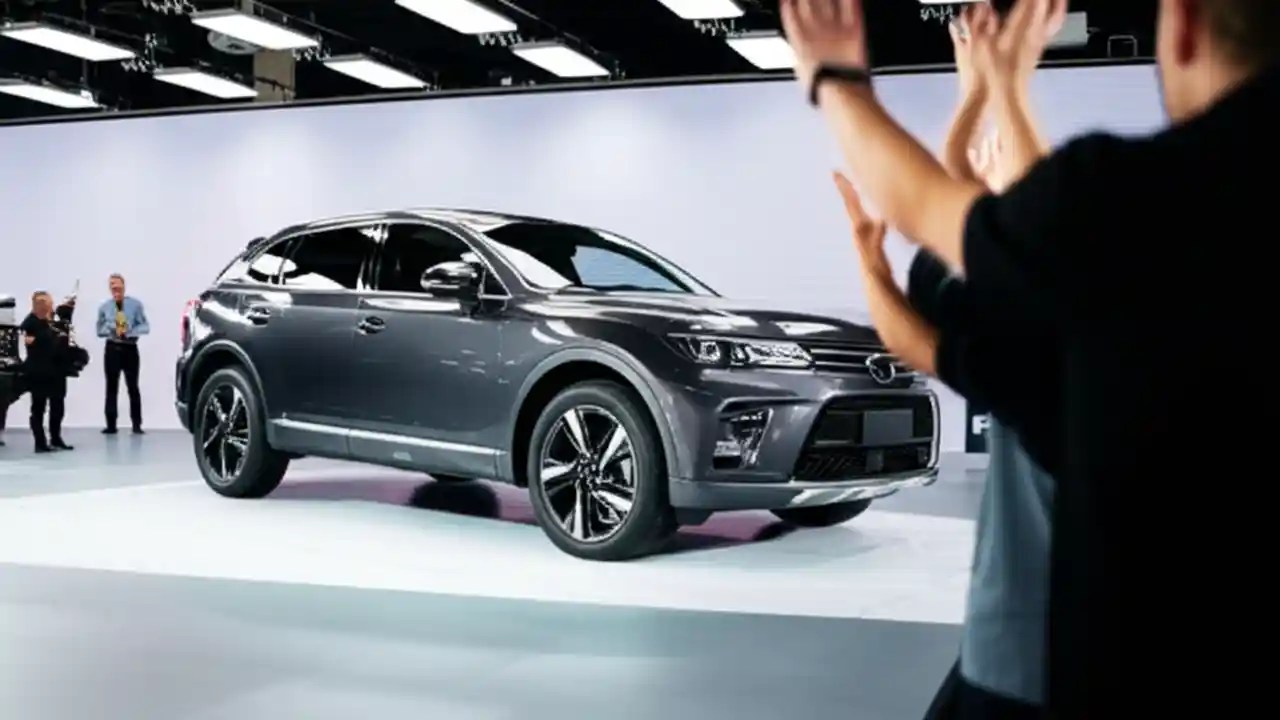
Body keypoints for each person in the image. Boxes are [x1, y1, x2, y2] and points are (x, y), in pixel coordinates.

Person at [782, 0, 1279, 713]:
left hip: (1028, 660)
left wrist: (836, 76)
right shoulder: (1098, 275)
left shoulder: (1092, 283)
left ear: (1186, 23)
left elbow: (935, 227)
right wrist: (998, 94)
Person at [96, 273, 149, 434]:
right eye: (112, 286)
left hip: (130, 348)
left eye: (118, 285)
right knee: (111, 387)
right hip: (112, 348)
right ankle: (111, 425)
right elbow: (99, 330)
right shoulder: (104, 307)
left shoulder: (135, 305)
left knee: (133, 387)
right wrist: (112, 329)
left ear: (123, 286)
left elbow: (145, 326)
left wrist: (130, 331)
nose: (115, 289)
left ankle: (137, 424)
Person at [21, 291, 72, 453]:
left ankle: (56, 438)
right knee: (38, 408)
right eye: (42, 303)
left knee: (58, 406)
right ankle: (40, 442)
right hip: (38, 371)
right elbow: (32, 343)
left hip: (57, 370)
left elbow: (63, 339)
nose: (46, 306)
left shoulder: (55, 321)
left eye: (48, 302)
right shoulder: (30, 323)